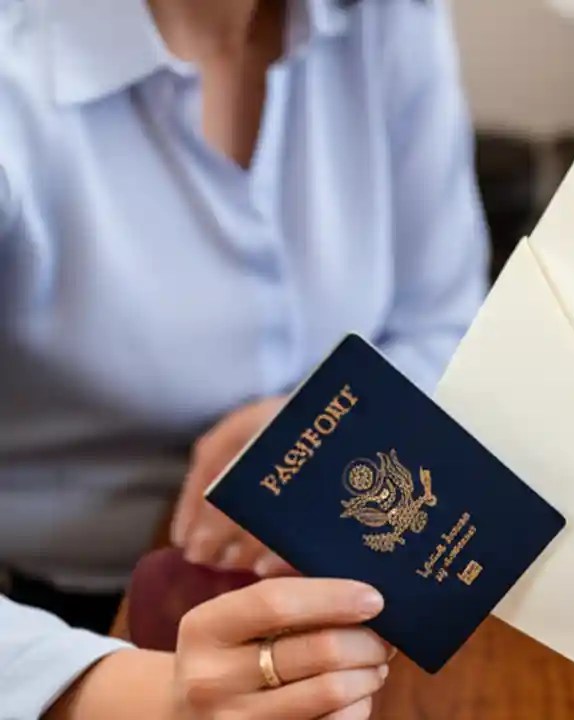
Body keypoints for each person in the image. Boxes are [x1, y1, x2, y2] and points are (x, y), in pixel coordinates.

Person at [0, 0, 489, 715]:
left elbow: (447, 323)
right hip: (65, 616)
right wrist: (127, 694)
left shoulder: (390, 17)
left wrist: (322, 429)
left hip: (363, 556)